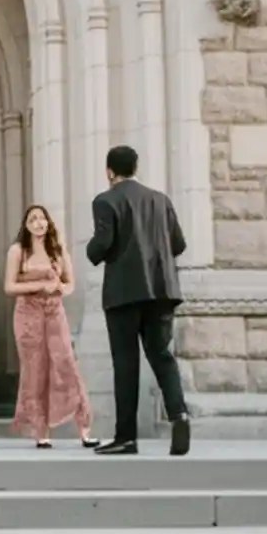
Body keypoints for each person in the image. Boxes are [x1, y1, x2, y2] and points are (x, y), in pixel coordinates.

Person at [86, 145, 191, 456]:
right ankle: (180, 415)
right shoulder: (161, 200)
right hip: (161, 290)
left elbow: (102, 244)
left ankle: (126, 437)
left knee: (126, 363)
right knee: (162, 356)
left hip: (124, 293)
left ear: (109, 171)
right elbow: (178, 244)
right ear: (135, 167)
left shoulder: (105, 200)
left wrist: (91, 250)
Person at [5, 205, 100, 449]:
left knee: (66, 363)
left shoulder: (57, 250)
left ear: (48, 223)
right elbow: (9, 286)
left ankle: (85, 428)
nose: (38, 223)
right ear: (26, 225)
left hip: (54, 312)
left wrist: (59, 289)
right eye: (33, 219)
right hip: (28, 314)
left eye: (42, 218)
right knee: (35, 369)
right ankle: (41, 431)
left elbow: (69, 283)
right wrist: (38, 286)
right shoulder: (18, 251)